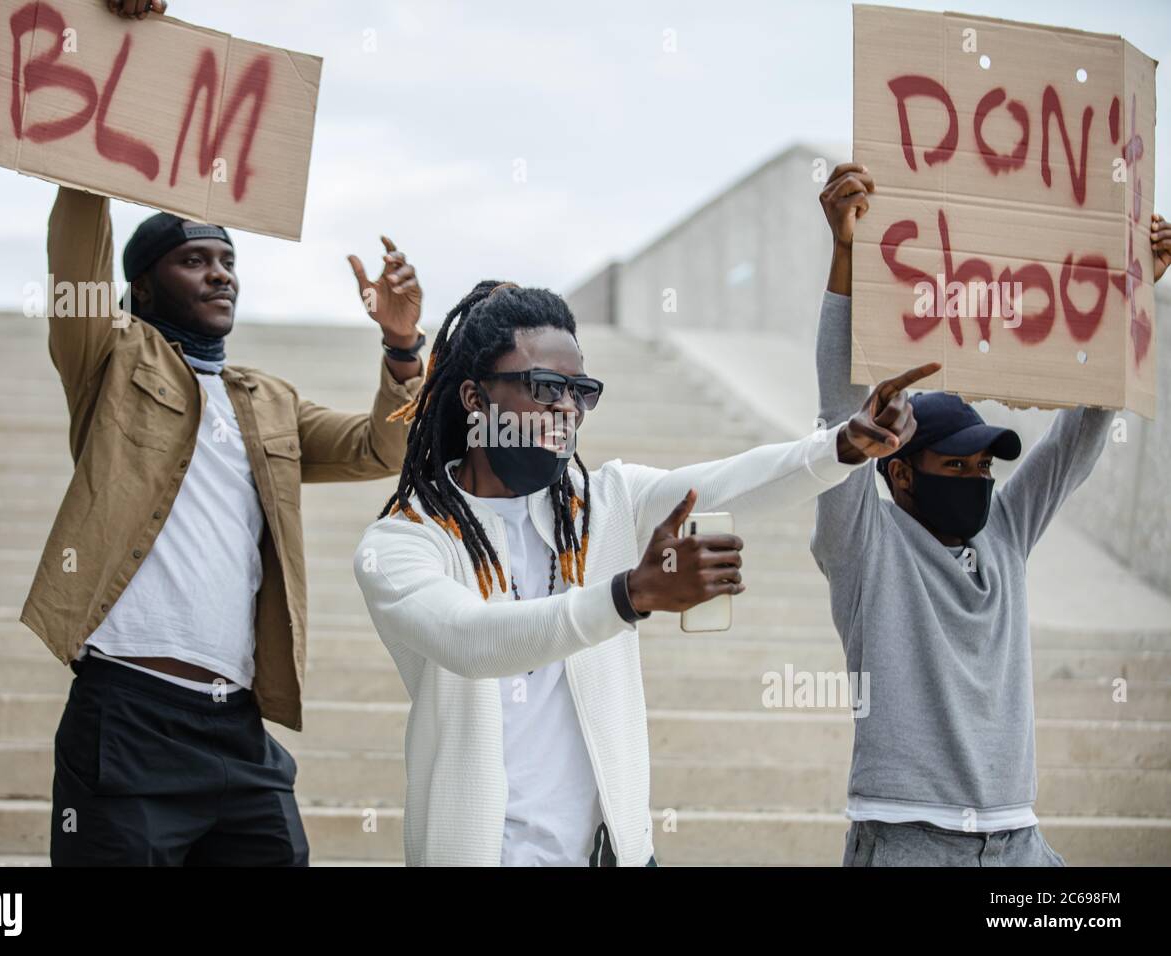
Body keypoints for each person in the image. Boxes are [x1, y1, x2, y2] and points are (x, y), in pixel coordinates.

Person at [27, 0, 426, 867]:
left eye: (228, 261)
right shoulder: (108, 359)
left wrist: (402, 347)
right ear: (142, 286)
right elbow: (76, 260)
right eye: (194, 259)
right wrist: (93, 131)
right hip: (125, 716)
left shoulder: (267, 401)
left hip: (238, 734)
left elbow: (381, 449)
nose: (219, 273)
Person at [352, 279, 931, 866]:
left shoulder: (602, 504)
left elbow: (730, 481)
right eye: (546, 387)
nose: (567, 409)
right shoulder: (405, 541)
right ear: (475, 399)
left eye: (581, 392)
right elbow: (470, 640)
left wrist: (843, 446)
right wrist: (627, 596)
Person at [812, 162, 1171, 867]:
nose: (978, 481)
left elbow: (1082, 432)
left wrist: (1138, 295)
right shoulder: (866, 544)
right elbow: (836, 415)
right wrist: (847, 254)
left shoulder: (1003, 533)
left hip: (1019, 840)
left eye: (985, 467)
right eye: (957, 467)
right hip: (910, 838)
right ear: (901, 475)